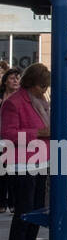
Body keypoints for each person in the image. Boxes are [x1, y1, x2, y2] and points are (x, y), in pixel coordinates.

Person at [3, 63, 51, 240]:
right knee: (24, 213)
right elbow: (9, 135)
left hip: (41, 162)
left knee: (37, 212)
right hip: (22, 164)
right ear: (31, 83)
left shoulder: (40, 101)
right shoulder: (14, 103)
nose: (44, 91)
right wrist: (40, 132)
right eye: (42, 86)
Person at [0, 68, 20, 213]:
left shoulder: (21, 97)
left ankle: (13, 202)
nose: (15, 81)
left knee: (12, 170)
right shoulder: (1, 96)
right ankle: (1, 202)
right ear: (5, 80)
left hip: (14, 139)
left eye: (18, 78)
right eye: (12, 78)